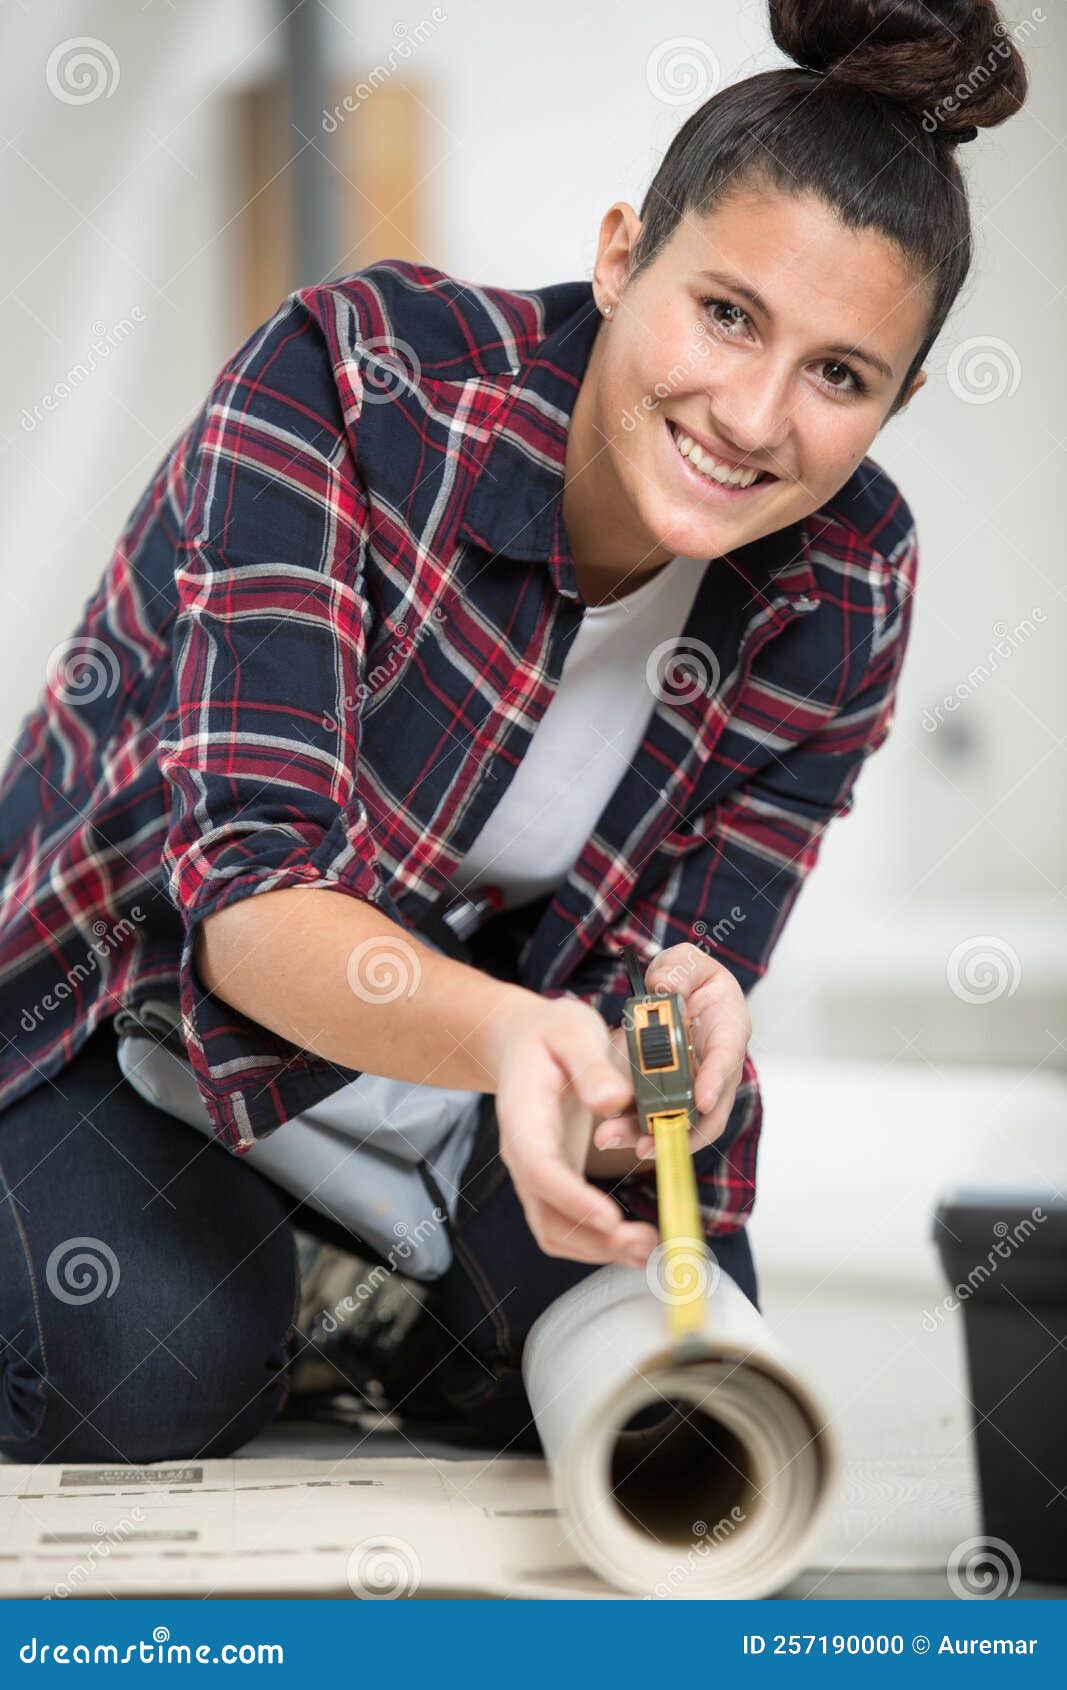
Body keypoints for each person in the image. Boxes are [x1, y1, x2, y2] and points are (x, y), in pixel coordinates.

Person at [0, 0, 1029, 1464]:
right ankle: (263, 1286)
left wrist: (669, 1026)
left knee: (670, 1394)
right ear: (622, 256)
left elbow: (678, 950)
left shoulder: (849, 578)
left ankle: (345, 1292)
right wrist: (523, 1040)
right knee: (150, 1361)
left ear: (898, 400)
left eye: (838, 375)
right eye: (726, 313)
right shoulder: (352, 386)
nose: (751, 414)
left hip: (457, 1082)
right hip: (143, 1019)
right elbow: (248, 911)